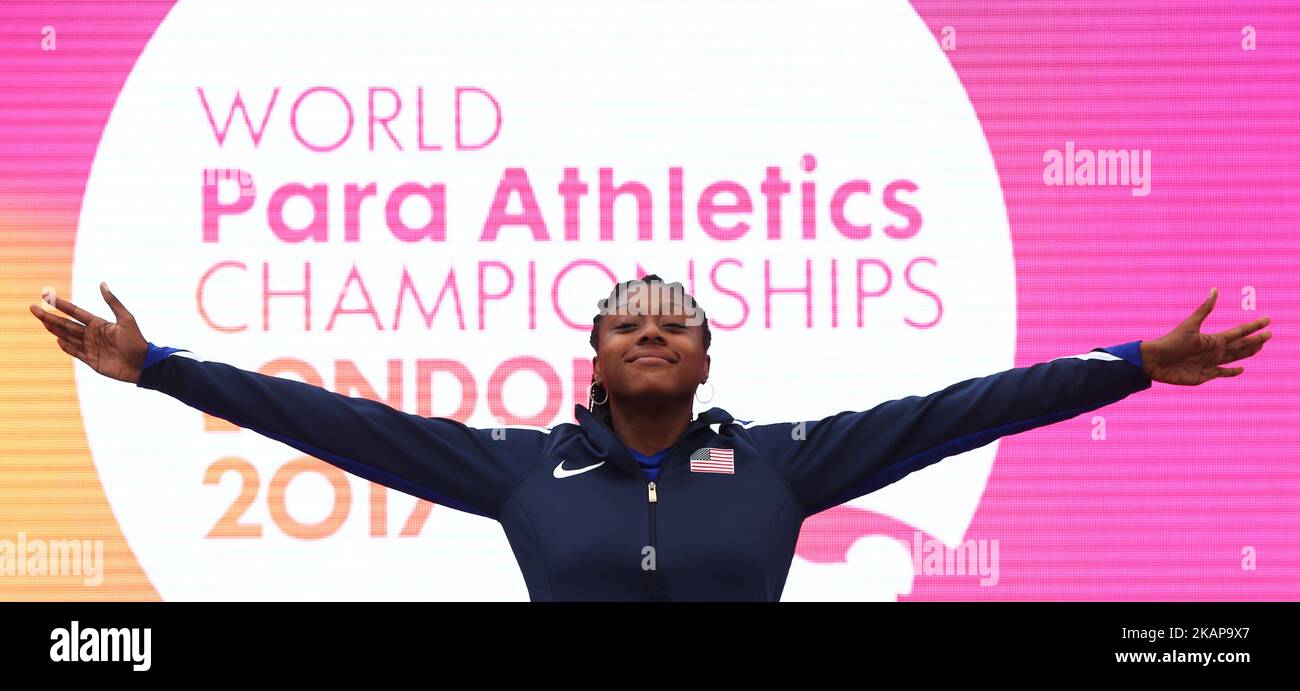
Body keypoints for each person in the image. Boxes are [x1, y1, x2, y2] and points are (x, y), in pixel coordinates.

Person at [29, 276, 1272, 601]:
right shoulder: (521, 470)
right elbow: (339, 425)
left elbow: (963, 411)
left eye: (676, 321)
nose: (652, 331)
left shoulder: (785, 462)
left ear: (706, 360)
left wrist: (1131, 367)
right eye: (627, 321)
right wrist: (159, 370)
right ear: (595, 358)